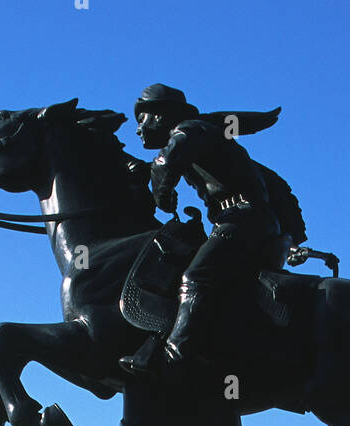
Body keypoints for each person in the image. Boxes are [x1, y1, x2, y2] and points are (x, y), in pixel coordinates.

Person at [120, 84, 307, 377]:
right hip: (248, 222)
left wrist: (163, 193)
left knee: (196, 276)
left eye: (141, 119)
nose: (138, 130)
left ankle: (175, 354)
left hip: (242, 221)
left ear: (159, 115)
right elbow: (277, 185)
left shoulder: (189, 130)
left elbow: (164, 163)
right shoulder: (209, 135)